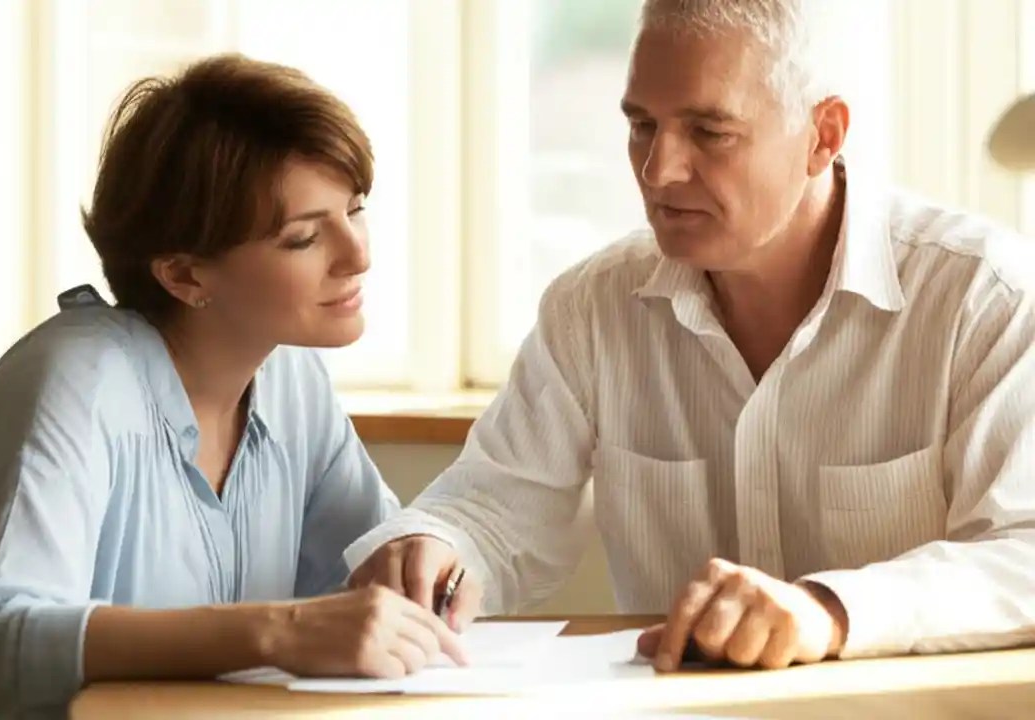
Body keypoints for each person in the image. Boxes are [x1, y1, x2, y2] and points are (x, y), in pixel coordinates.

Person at [347, 0, 1035, 673]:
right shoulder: (594, 307)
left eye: (710, 132)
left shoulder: (984, 296)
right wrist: (433, 543)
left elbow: (1023, 553)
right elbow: (494, 512)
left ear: (822, 136)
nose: (658, 171)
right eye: (642, 126)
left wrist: (828, 610)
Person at [0, 53, 464, 720]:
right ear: (185, 276)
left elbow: (370, 577)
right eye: (302, 238)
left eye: (355, 210)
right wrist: (281, 630)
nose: (359, 253)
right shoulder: (78, 378)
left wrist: (418, 565)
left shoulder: (291, 378)